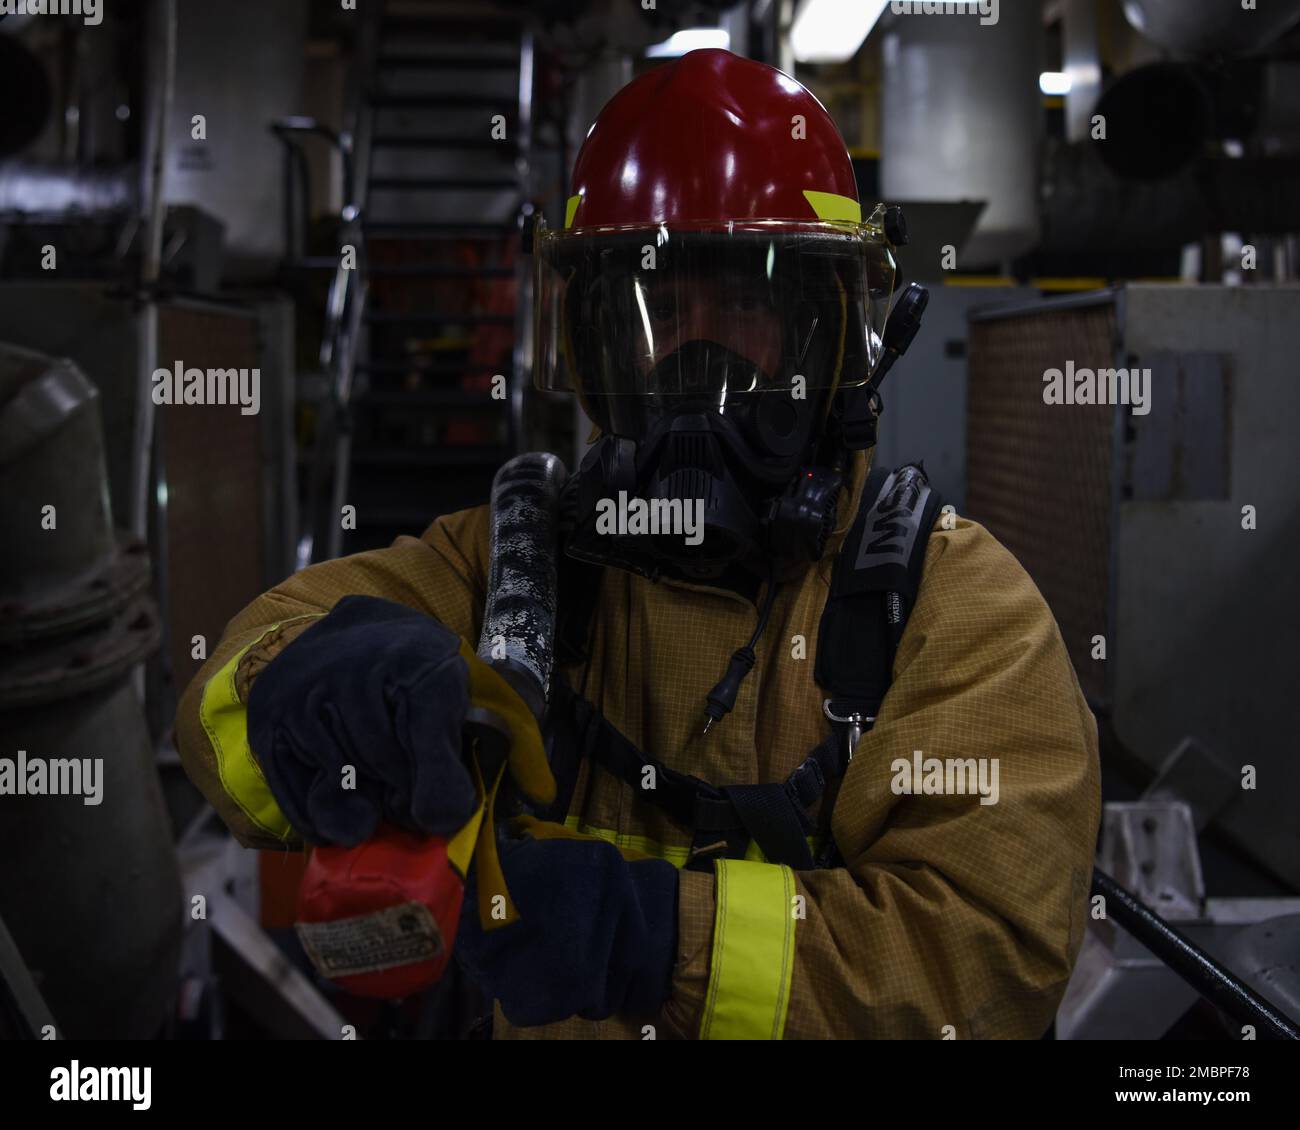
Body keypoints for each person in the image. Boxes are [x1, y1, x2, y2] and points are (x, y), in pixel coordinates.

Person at [176, 48, 1100, 1040]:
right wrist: (308, 691)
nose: (691, 367)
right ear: (591, 348)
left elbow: (983, 969)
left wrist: (656, 938)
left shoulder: (950, 608)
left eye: (746, 303)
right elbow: (223, 696)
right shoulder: (513, 570)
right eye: (649, 311)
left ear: (834, 338)